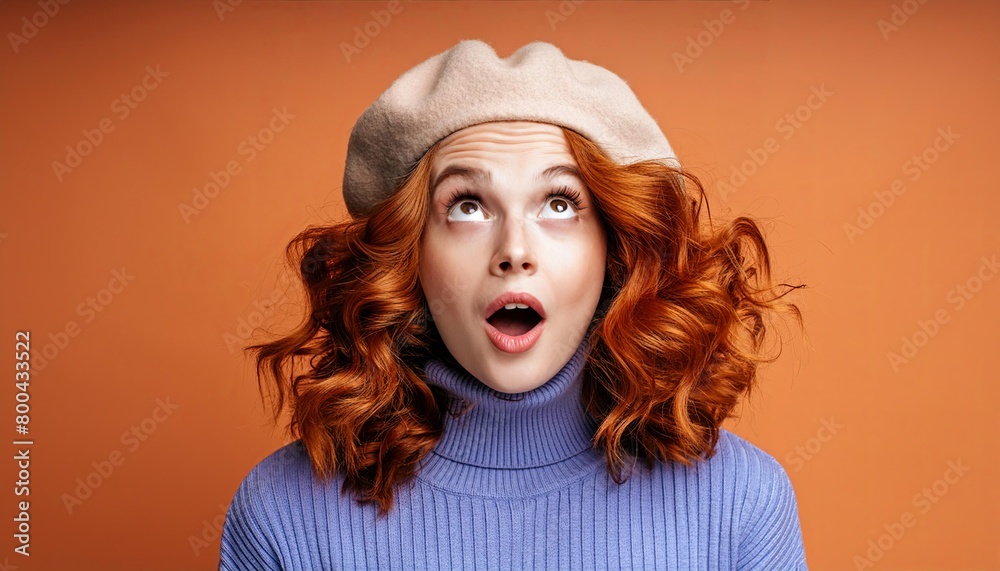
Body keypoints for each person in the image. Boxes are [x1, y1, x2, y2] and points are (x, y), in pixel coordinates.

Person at [219, 39, 808, 570]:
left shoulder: (741, 507)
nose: (515, 251)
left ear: (616, 248)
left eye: (558, 203)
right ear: (410, 254)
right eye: (467, 205)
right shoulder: (283, 517)